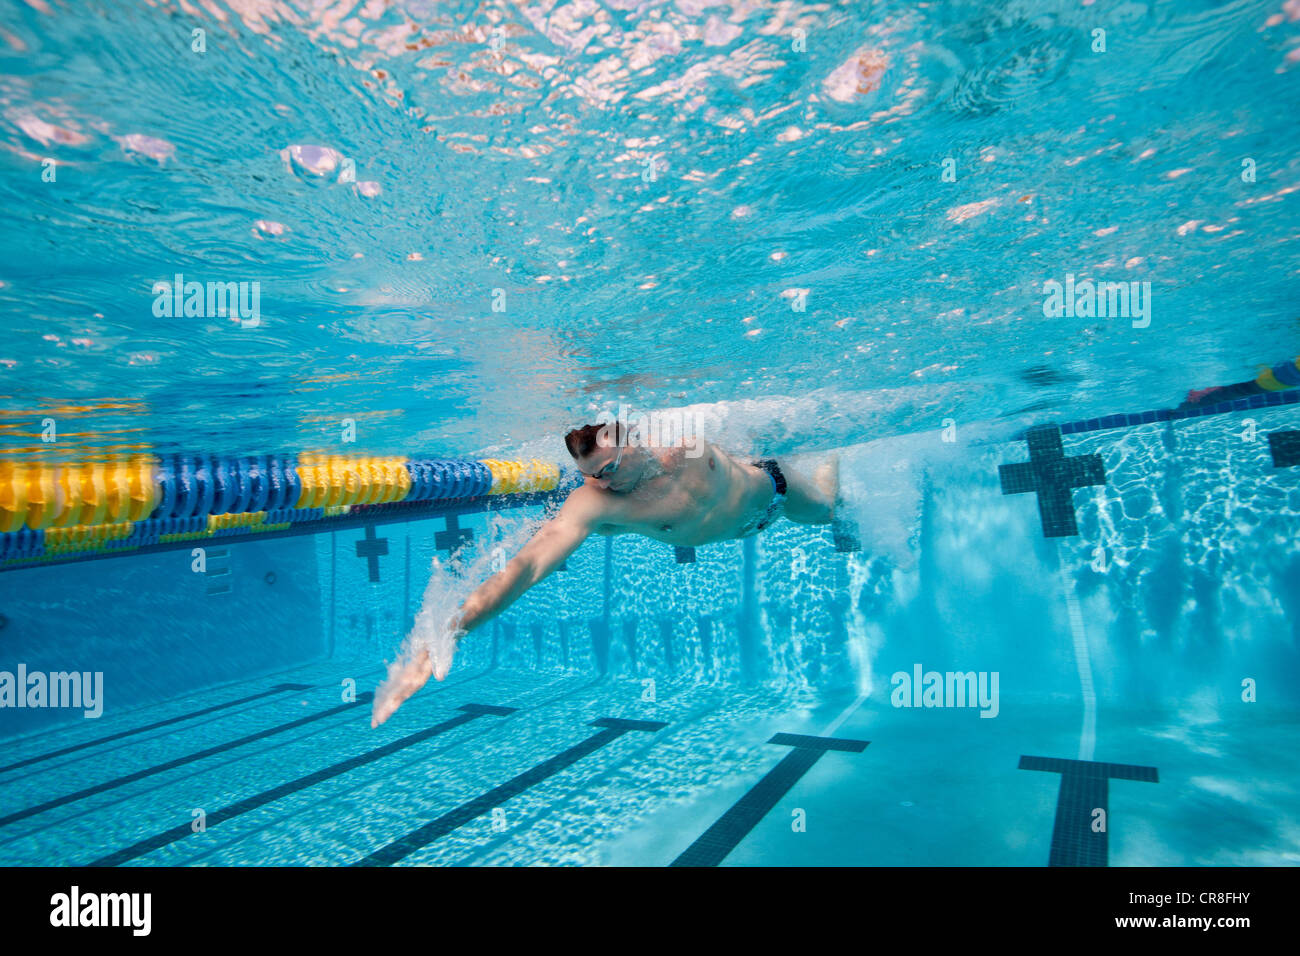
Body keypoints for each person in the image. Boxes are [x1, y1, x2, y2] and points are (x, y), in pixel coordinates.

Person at [370, 422, 841, 727]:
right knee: (570, 527)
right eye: (590, 474)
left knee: (827, 510)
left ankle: (835, 461)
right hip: (740, 525)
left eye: (609, 469)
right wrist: (443, 636)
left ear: (636, 442)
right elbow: (525, 568)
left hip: (773, 492)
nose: (602, 483)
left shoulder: (684, 442)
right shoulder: (596, 500)